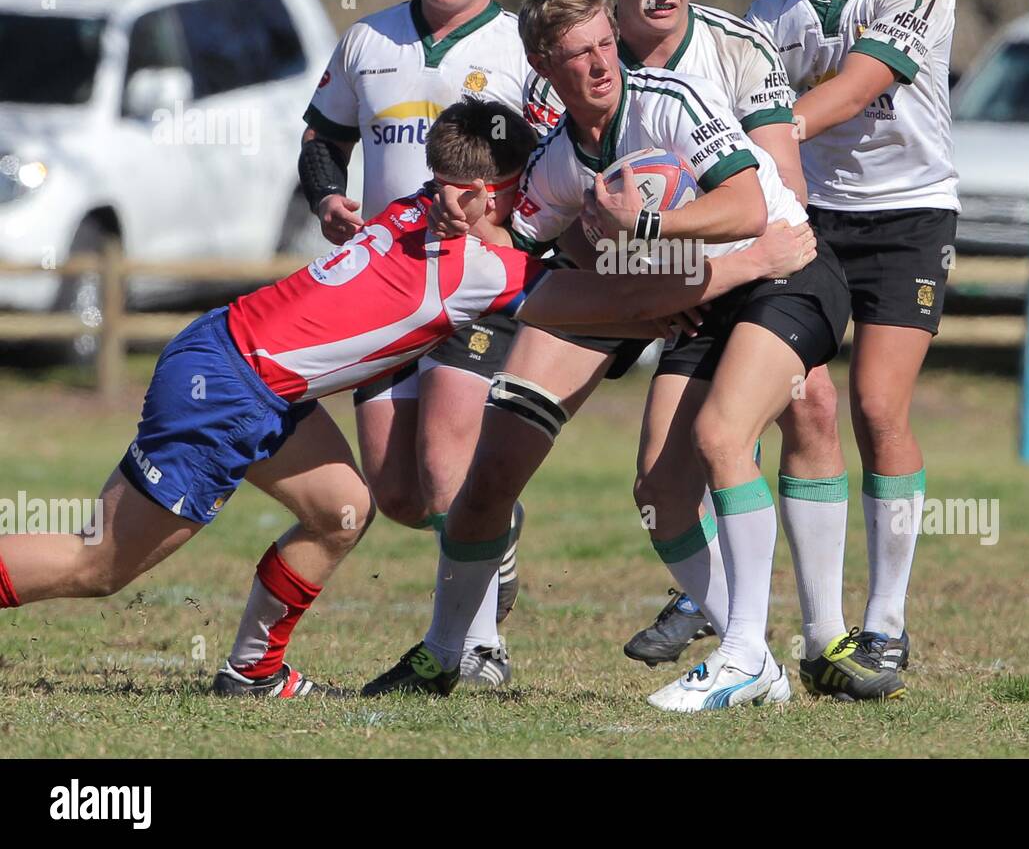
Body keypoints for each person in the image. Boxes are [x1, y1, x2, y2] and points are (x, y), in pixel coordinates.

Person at [0, 99, 815, 698]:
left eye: (500, 197)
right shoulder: (472, 265)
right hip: (223, 385)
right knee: (98, 563)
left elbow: (579, 285)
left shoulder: (423, 210)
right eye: (488, 197)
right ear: (464, 194)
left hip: (250, 372)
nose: (497, 211)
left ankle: (252, 669)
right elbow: (593, 300)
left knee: (341, 509)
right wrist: (748, 261)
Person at [364, 0, 851, 711]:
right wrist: (457, 225)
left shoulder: (668, 100)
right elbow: (521, 258)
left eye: (602, 45)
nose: (599, 65)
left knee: (723, 436)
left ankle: (754, 649)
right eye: (576, 55)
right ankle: (448, 648)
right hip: (692, 296)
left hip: (781, 270)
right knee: (618, 485)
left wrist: (646, 233)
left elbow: (749, 203)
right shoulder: (558, 158)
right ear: (542, 66)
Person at [297, 0, 561, 684]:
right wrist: (328, 199)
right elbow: (321, 138)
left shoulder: (524, 50)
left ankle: (479, 648)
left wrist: (510, 230)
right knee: (401, 492)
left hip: (477, 284)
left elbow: (556, 162)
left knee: (451, 469)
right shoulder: (366, 40)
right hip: (383, 285)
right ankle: (498, 526)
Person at [746, 0, 960, 699]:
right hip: (817, 217)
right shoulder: (769, 11)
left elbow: (869, 78)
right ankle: (823, 628)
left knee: (878, 402)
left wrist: (780, 126)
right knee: (806, 398)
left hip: (911, 214)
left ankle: (889, 621)